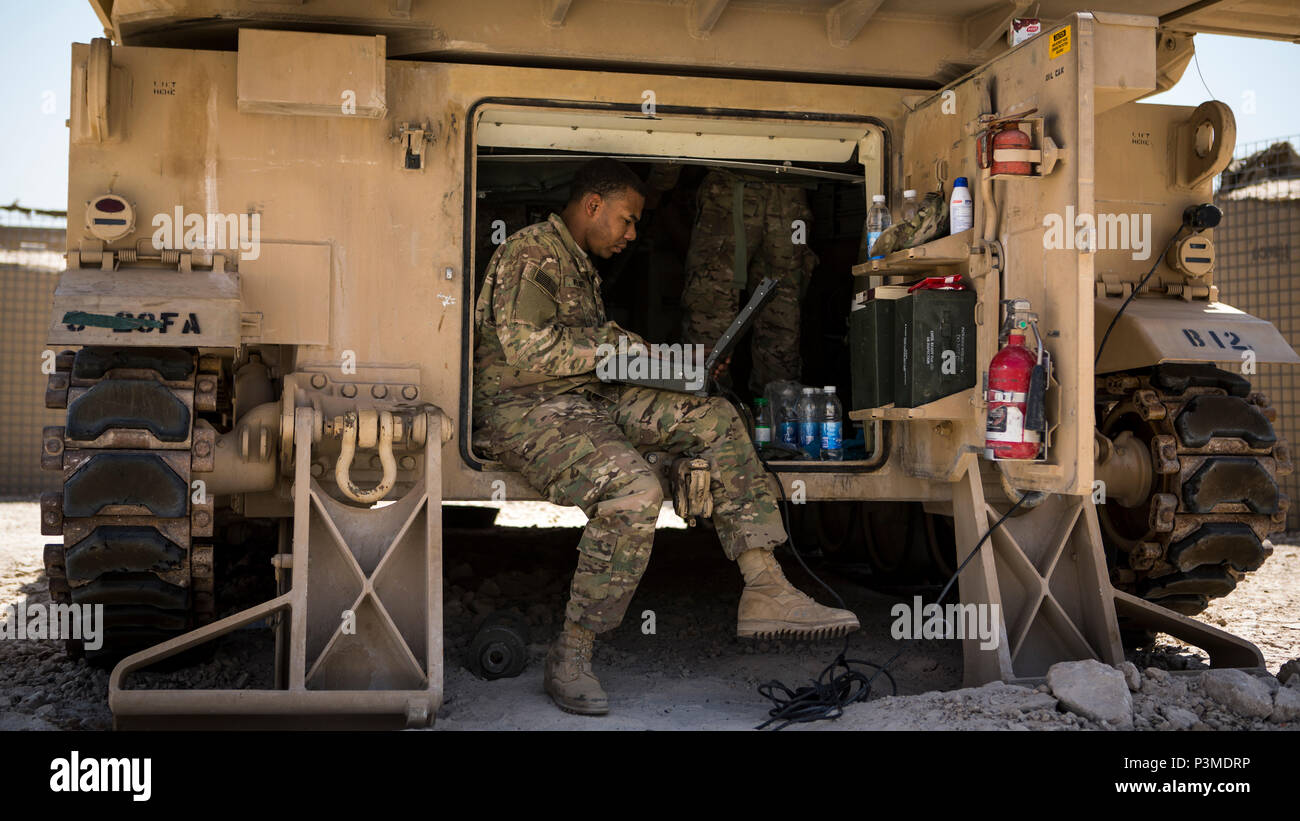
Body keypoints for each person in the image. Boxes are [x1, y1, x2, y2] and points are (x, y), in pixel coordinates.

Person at [472, 158, 858, 716]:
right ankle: (573, 655)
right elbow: (532, 351)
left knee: (716, 418)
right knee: (634, 491)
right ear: (593, 206)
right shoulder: (532, 250)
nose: (632, 234)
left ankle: (766, 586)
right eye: (627, 220)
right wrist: (637, 359)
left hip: (583, 396)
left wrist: (673, 364)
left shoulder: (576, 262)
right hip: (524, 407)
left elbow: (594, 343)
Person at [681, 168, 818, 394]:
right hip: (785, 188)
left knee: (714, 302)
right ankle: (769, 414)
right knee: (779, 310)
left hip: (738, 183)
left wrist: (659, 183)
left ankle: (707, 412)